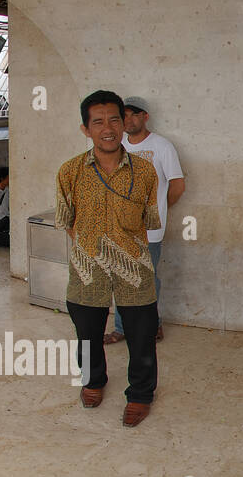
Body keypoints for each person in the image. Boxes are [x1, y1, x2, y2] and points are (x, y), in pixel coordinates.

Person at [57, 91, 162, 426]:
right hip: (88, 269)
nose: (108, 127)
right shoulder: (69, 171)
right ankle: (93, 381)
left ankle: (141, 394)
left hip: (135, 268)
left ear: (124, 123)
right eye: (98, 121)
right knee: (87, 333)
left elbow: (149, 222)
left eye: (114, 119)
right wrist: (95, 251)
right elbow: (66, 221)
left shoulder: (145, 171)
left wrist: (125, 252)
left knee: (141, 335)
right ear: (86, 129)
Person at [109, 97, 183, 347]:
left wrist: (158, 210)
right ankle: (120, 328)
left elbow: (177, 185)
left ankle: (153, 324)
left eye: (134, 114)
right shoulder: (117, 146)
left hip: (150, 230)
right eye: (124, 115)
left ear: (145, 117)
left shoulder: (162, 146)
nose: (128, 120)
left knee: (146, 279)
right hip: (120, 228)